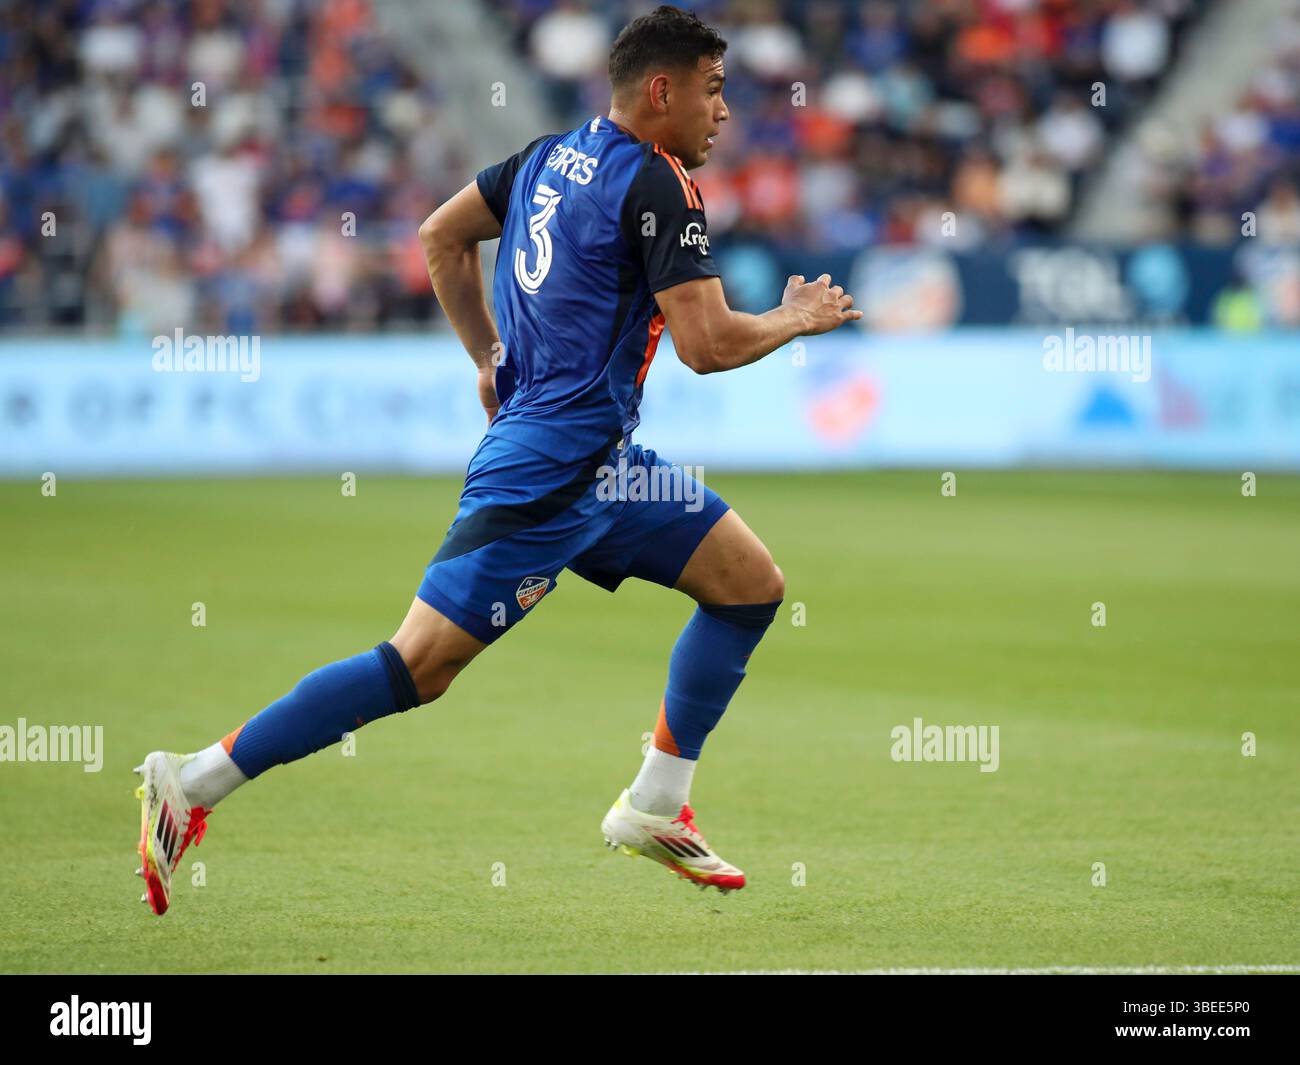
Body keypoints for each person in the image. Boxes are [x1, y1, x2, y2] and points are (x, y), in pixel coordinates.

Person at [133, 4, 861, 914]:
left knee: (750, 584)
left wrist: (488, 358)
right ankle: (191, 780)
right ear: (662, 90)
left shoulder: (545, 157)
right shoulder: (659, 184)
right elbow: (706, 345)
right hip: (547, 474)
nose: (724, 113)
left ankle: (655, 802)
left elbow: (441, 237)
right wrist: (795, 319)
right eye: (714, 92)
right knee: (417, 667)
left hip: (605, 463)